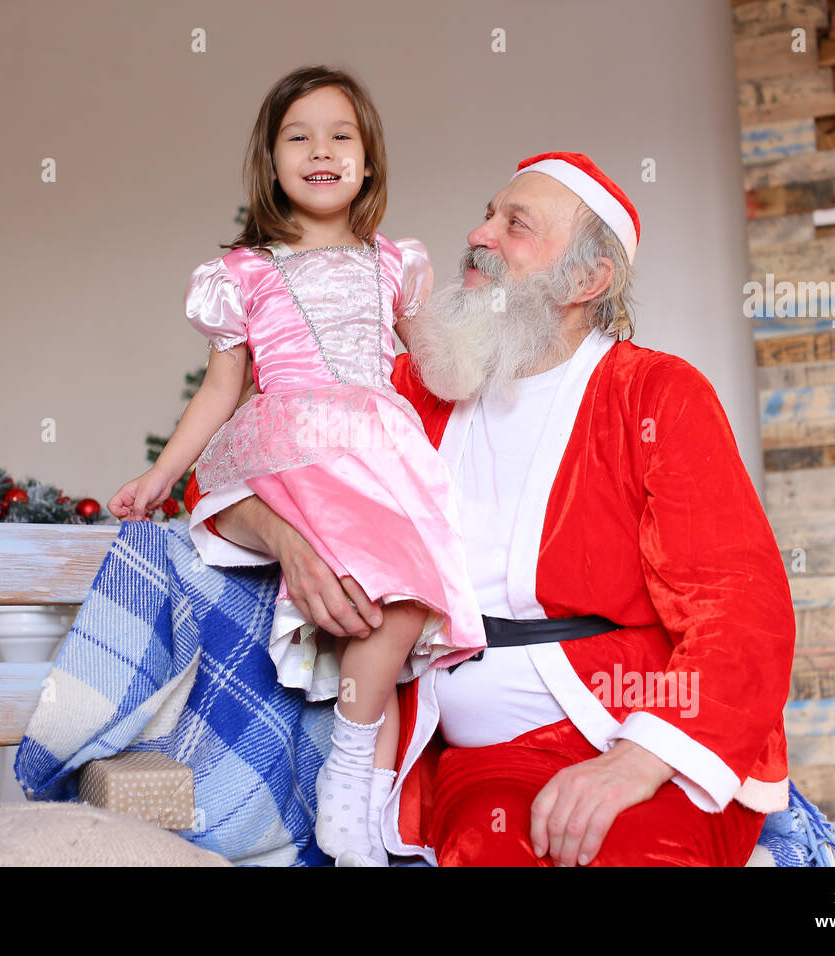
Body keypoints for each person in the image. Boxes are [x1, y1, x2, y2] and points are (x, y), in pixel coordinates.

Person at [184, 151, 796, 866]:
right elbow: (223, 473)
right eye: (485, 215)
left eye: (516, 225)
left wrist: (634, 762)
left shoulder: (656, 394)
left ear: (586, 279)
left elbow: (743, 611)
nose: (479, 235)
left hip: (635, 731)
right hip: (486, 762)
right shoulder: (415, 389)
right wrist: (286, 538)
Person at [107, 65, 485, 867]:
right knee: (385, 594)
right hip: (291, 443)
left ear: (369, 160)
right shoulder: (241, 273)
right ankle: (349, 775)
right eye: (298, 136)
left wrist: (491, 327)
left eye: (341, 135)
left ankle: (360, 806)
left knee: (400, 603)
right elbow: (220, 391)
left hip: (377, 448)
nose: (321, 150)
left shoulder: (397, 264)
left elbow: (441, 368)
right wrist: (159, 478)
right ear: (271, 163)